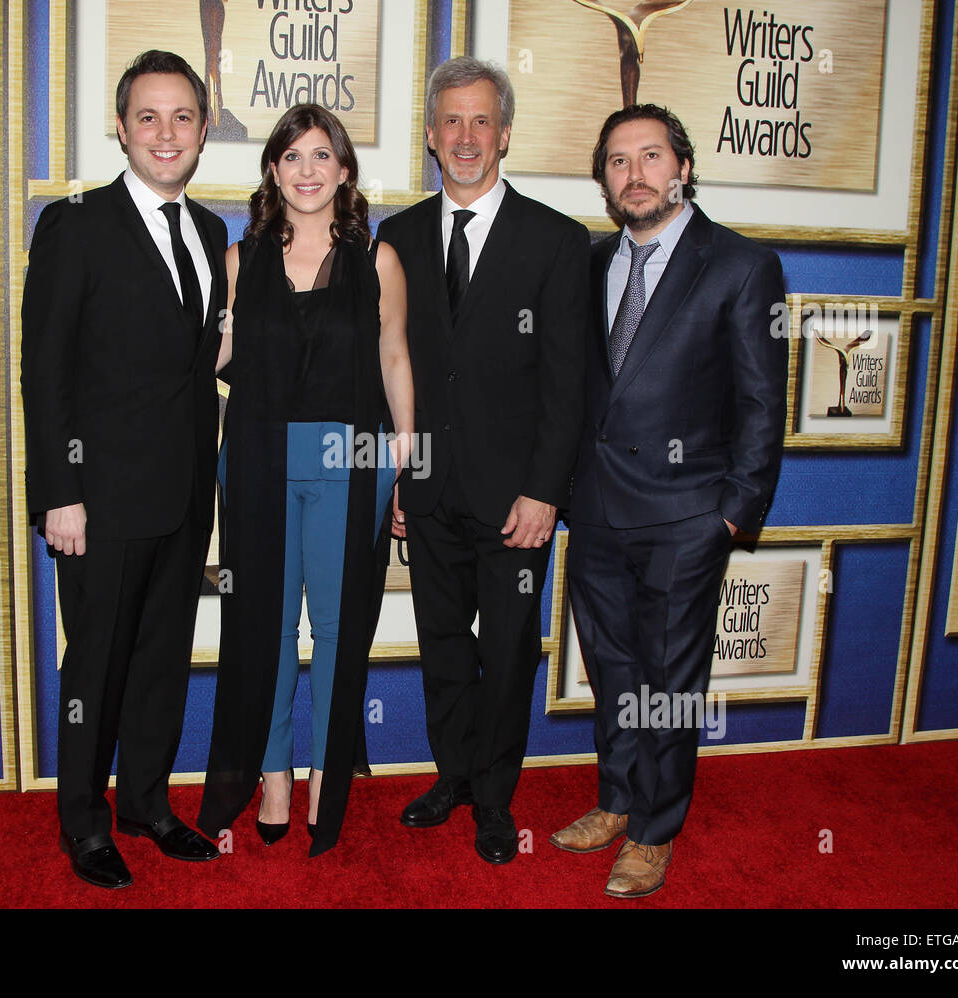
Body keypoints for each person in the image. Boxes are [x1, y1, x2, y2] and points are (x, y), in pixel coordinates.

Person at [552, 104, 787, 898]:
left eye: (651, 156)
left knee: (667, 683)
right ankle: (618, 799)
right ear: (605, 179)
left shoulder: (741, 266)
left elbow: (762, 404)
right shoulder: (587, 263)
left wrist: (731, 514)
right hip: (596, 515)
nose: (635, 174)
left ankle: (655, 830)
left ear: (682, 167)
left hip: (687, 519)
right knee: (614, 672)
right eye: (618, 162)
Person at [376, 58, 589, 865]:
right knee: (441, 646)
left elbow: (570, 386)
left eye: (480, 122)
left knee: (506, 652)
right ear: (431, 136)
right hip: (427, 494)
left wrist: (545, 492)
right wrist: (398, 471)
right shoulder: (393, 240)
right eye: (450, 123)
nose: (466, 138)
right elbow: (386, 368)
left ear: (504, 132)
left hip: (515, 503)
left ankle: (495, 799)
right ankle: (454, 774)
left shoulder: (558, 241)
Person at [21, 50, 226, 889]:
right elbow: (46, 370)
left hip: (183, 495)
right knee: (95, 666)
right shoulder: (75, 225)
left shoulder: (213, 232)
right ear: (121, 126)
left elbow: (199, 362)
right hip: (98, 500)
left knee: (160, 660)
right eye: (149, 116)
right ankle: (84, 821)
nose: (166, 133)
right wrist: (58, 494)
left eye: (183, 117)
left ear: (204, 129)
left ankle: (146, 803)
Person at [196, 104, 414, 857]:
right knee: (265, 629)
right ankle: (274, 773)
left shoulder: (378, 259)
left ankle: (327, 773)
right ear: (273, 170)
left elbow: (393, 359)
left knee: (338, 628)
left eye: (322, 156)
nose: (308, 170)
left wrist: (406, 461)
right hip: (256, 459)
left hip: (351, 461)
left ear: (345, 170)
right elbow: (218, 359)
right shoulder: (237, 258)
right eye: (293, 156)